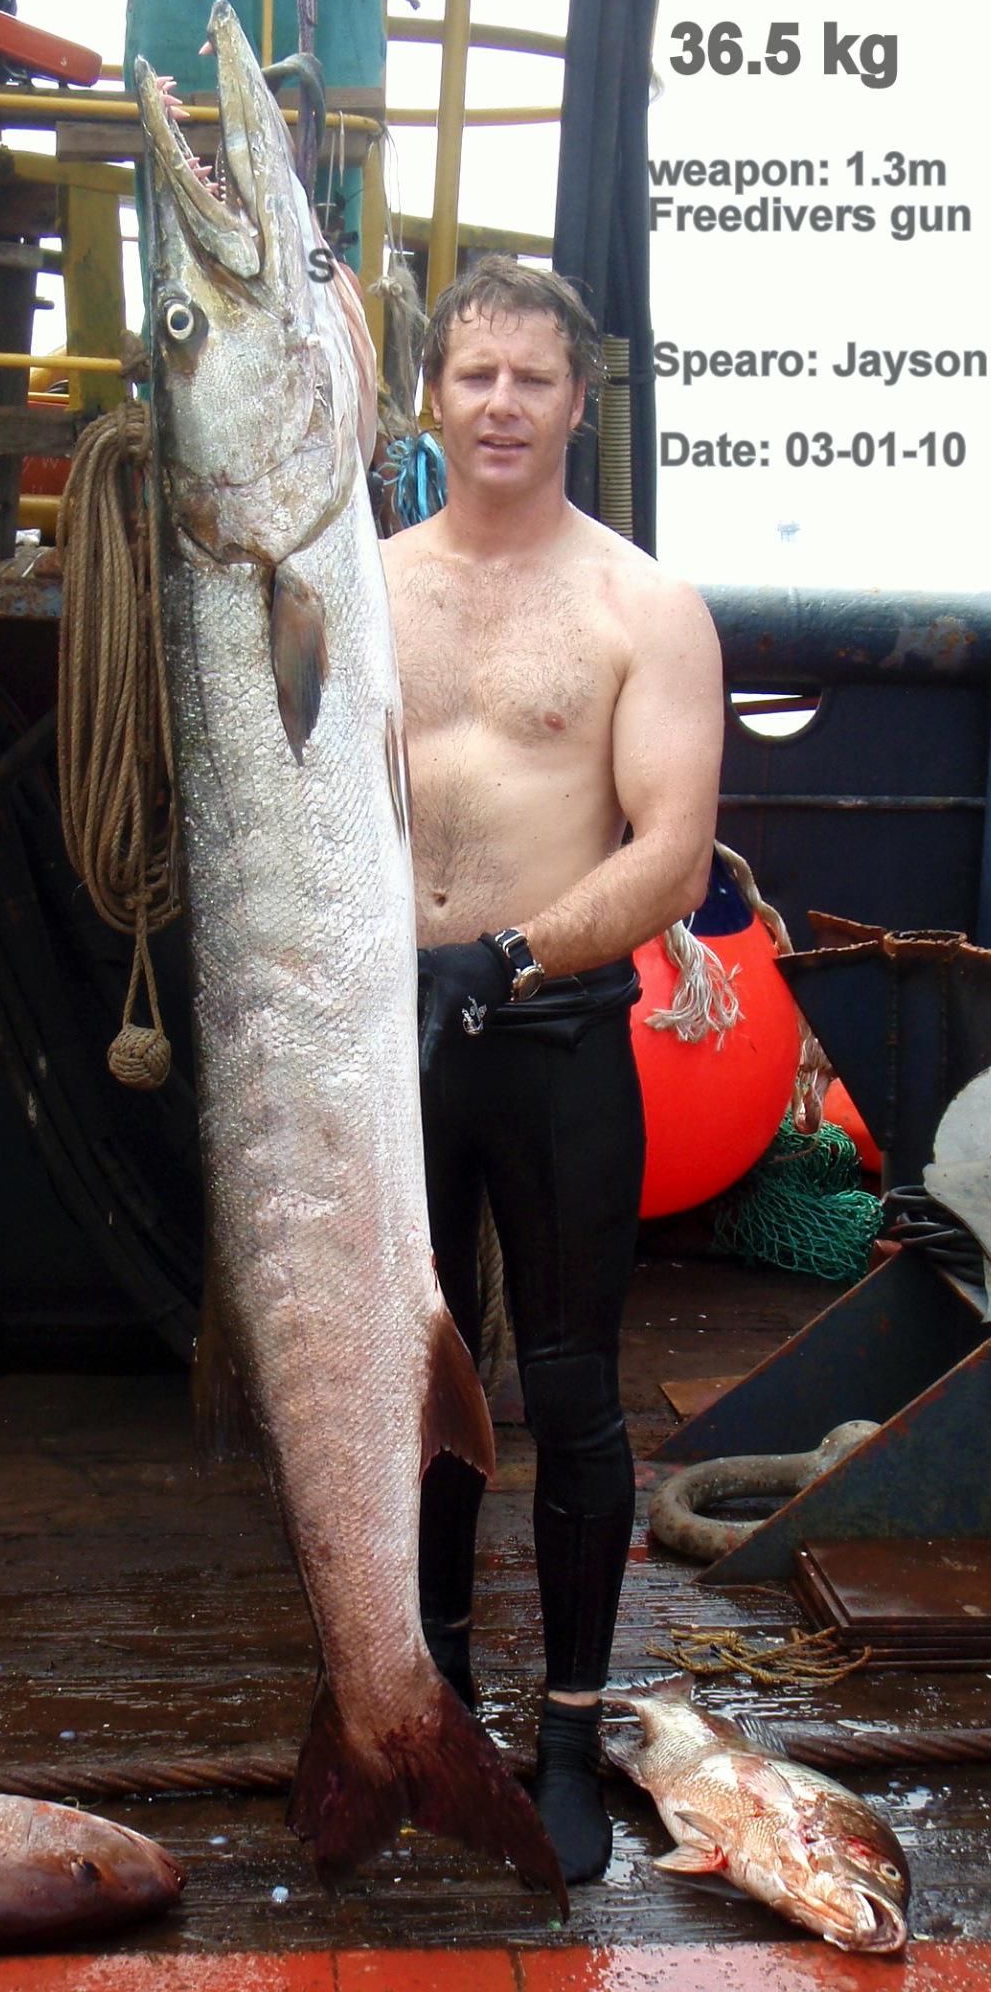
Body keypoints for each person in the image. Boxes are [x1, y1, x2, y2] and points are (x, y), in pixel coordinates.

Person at [380, 257, 724, 1884]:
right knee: (409, 1379)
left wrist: (506, 957)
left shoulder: (640, 606)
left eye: (533, 378)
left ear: (580, 402)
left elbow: (671, 853)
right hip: (382, 1036)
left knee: (572, 1390)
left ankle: (569, 1737)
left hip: (551, 1030)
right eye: (475, 376)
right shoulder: (362, 586)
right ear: (429, 398)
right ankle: (427, 1691)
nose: (501, 405)